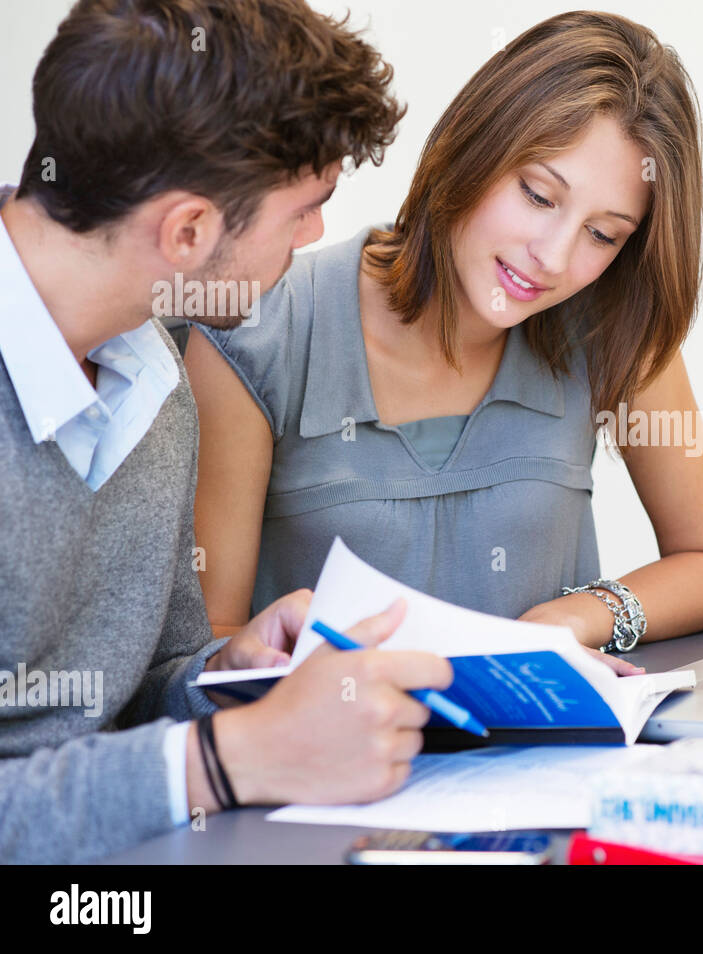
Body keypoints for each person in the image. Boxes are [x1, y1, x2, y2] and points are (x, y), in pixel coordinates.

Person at [0, 0, 452, 864]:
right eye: (304, 208)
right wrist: (229, 758)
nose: (319, 234)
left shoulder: (155, 368)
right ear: (189, 232)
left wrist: (227, 676)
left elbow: (132, 696)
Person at [187, 11, 703, 660]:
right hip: (335, 751)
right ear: (473, 149)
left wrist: (576, 618)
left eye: (603, 234)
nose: (554, 256)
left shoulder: (607, 322)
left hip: (543, 756)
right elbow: (210, 647)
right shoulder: (260, 332)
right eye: (539, 195)